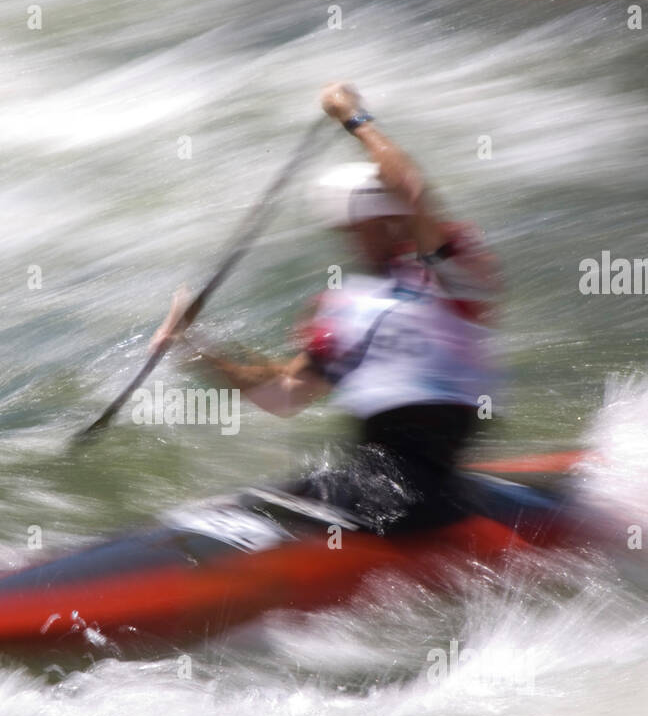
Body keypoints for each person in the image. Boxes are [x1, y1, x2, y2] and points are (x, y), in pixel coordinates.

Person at [152, 82, 504, 535]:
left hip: (402, 499)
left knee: (227, 514)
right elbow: (284, 393)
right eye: (347, 229)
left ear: (391, 220)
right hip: (388, 490)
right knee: (231, 505)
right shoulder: (348, 307)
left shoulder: (451, 270)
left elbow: (410, 188)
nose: (351, 238)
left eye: (358, 226)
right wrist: (194, 350)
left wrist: (352, 117)